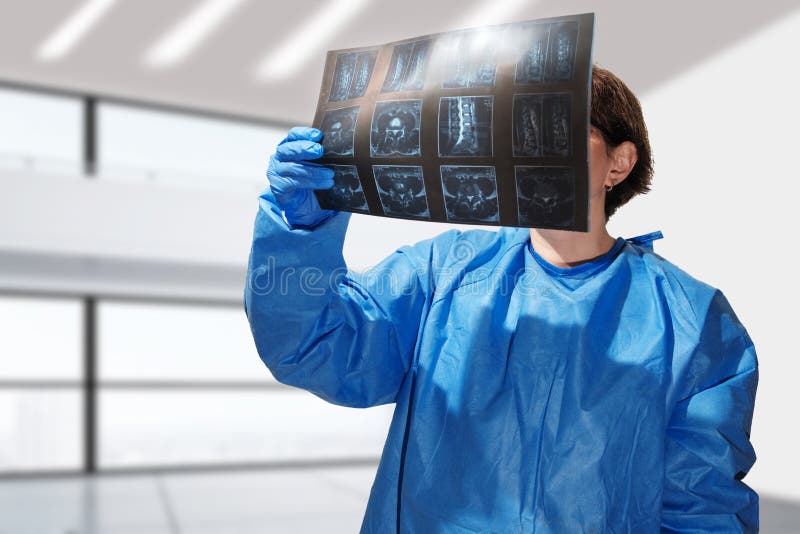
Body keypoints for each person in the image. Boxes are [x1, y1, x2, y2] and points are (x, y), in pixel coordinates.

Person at [244, 65, 759, 533]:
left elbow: (702, 509)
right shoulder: (443, 272)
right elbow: (316, 347)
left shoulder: (691, 322)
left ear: (618, 165)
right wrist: (299, 229)